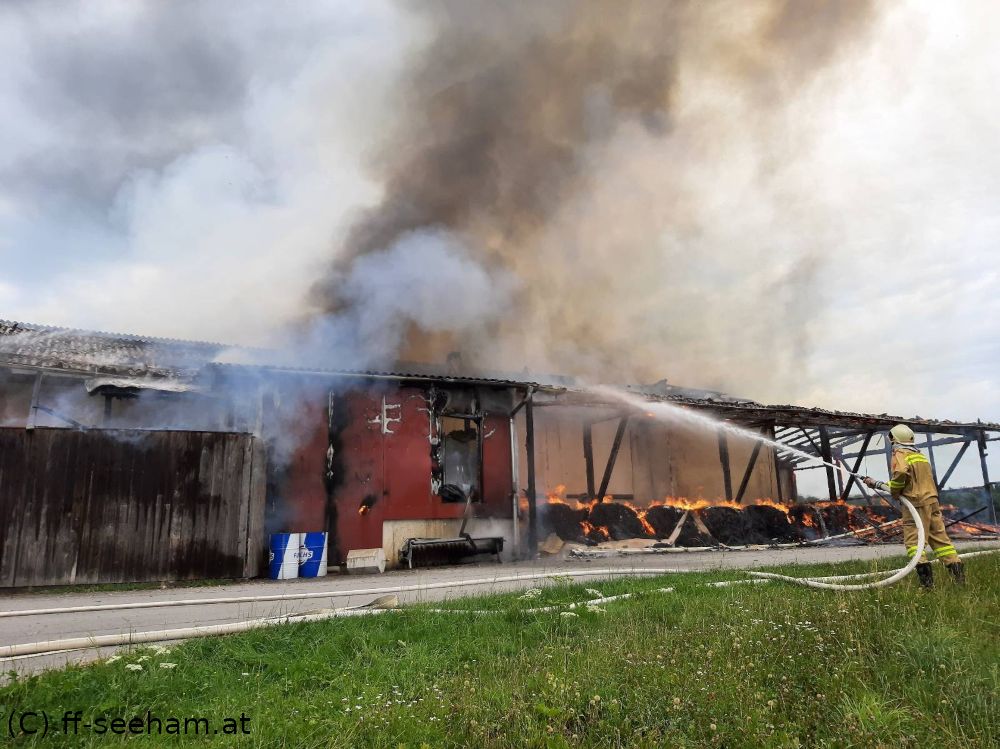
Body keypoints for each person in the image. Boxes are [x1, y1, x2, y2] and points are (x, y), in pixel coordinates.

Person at [863, 424, 964, 588]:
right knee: (941, 541)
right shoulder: (919, 455)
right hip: (931, 501)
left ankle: (927, 585)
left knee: (913, 543)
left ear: (893, 439)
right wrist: (876, 483)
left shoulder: (900, 453)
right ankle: (959, 580)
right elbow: (914, 480)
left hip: (916, 503)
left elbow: (901, 473)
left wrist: (895, 491)